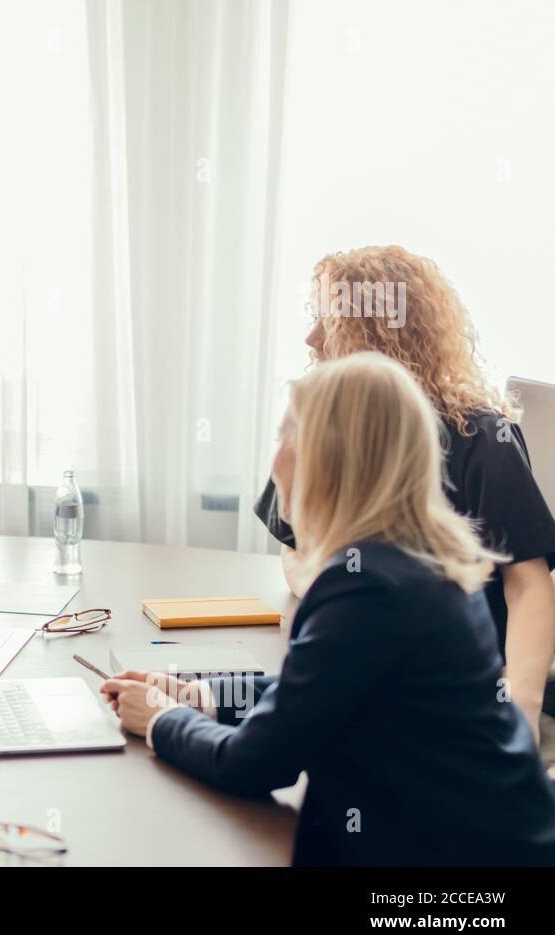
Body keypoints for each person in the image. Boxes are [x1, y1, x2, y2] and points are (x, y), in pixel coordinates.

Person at [104, 353, 555, 865]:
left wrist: (164, 717)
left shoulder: (365, 586)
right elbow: (326, 690)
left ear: (327, 458)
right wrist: (202, 694)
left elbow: (254, 763)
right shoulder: (418, 560)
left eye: (284, 439)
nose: (274, 460)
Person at [256, 245, 555, 742]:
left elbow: (529, 586)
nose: (310, 338)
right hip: (361, 672)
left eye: (327, 322)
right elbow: (293, 549)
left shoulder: (483, 437)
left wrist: (518, 710)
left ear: (378, 334)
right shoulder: (320, 429)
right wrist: (346, 610)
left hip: (458, 690)